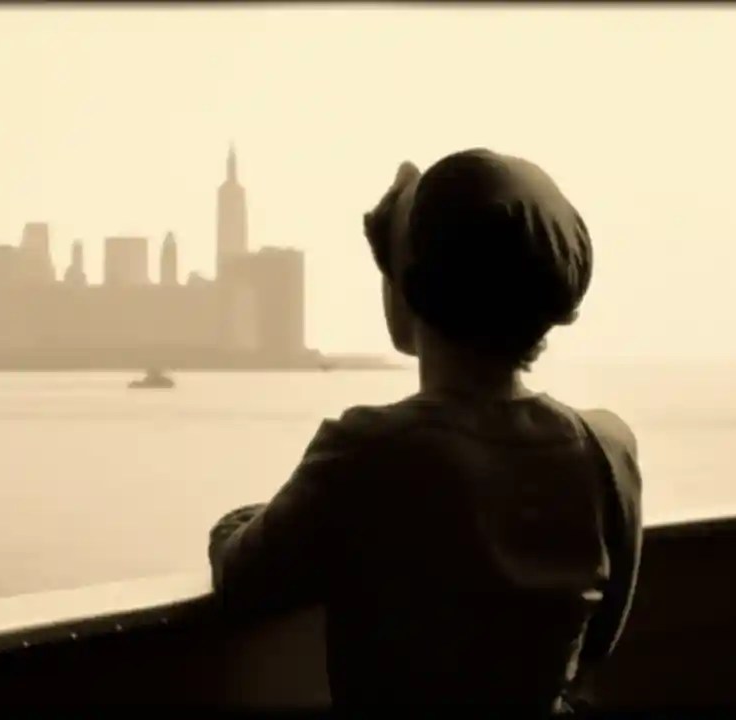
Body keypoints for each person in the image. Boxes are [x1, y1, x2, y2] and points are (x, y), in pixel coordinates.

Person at [207, 149, 643, 712]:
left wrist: (240, 522)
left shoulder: (365, 453)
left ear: (408, 291)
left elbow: (242, 578)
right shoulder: (606, 449)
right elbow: (599, 641)